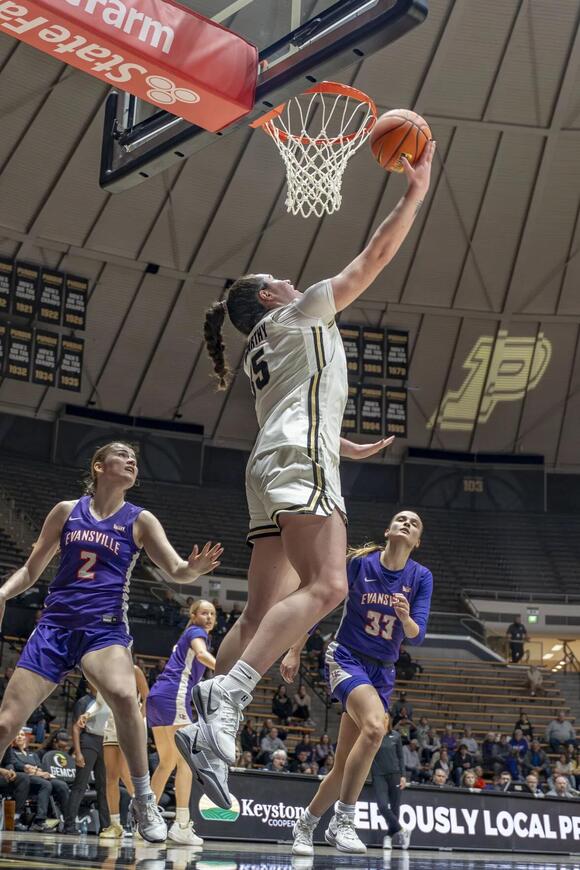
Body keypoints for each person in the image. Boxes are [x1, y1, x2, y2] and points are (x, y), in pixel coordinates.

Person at [177, 142, 435, 808]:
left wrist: (339, 444)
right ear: (268, 295)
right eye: (283, 279)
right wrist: (415, 192)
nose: (296, 281)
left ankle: (209, 719)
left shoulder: (265, 344)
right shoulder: (297, 313)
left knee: (263, 610)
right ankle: (227, 697)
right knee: (328, 585)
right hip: (298, 462)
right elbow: (373, 257)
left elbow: (295, 405)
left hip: (270, 463)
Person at [0, 441, 222, 842]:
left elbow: (175, 568)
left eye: (135, 458)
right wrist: (3, 593)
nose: (132, 460)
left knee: (123, 695)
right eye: (122, 455)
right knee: (4, 724)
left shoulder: (141, 520)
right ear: (99, 466)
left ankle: (143, 799)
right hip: (55, 626)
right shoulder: (66, 512)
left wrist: (193, 569)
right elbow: (32, 570)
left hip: (103, 629)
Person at [284, 509, 433, 855]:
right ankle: (344, 820)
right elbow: (320, 606)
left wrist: (405, 617)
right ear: (388, 529)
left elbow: (418, 634)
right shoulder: (361, 564)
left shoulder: (421, 577)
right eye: (401, 519)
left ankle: (305, 824)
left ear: (417, 541)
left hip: (383, 671)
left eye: (414, 523)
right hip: (346, 657)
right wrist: (294, 649)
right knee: (375, 728)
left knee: (342, 769)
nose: (407, 523)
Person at [151, 599, 217, 845]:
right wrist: (228, 671)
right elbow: (201, 655)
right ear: (193, 615)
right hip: (173, 696)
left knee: (166, 762)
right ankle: (181, 825)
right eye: (204, 612)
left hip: (158, 696)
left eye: (212, 613)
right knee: (186, 762)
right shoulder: (196, 632)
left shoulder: (187, 635)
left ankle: (144, 822)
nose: (208, 617)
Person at [100, 662, 149, 839]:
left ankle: (143, 822)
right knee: (111, 776)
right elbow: (101, 700)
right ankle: (115, 825)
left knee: (129, 776)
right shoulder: (107, 669)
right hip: (112, 724)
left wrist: (138, 719)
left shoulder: (135, 670)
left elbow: (147, 697)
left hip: (131, 724)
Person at [65, 687, 110, 833]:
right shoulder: (84, 701)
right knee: (80, 785)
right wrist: (77, 752)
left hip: (106, 742)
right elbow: (76, 728)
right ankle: (69, 825)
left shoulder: (107, 698)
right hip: (88, 741)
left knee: (104, 787)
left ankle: (105, 827)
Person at [9, 728, 69, 830]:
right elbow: (17, 765)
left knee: (62, 785)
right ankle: (39, 821)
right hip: (24, 779)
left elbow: (40, 767)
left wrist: (41, 773)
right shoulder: (11, 752)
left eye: (22, 735)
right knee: (45, 784)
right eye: (17, 734)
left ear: (26, 739)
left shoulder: (33, 754)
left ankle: (69, 821)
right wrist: (37, 772)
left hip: (38, 776)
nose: (20, 736)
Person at [371, 720, 409, 851]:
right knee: (382, 806)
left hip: (395, 774)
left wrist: (403, 775)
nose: (383, 721)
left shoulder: (396, 736)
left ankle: (388, 838)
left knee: (395, 809)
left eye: (385, 718)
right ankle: (402, 830)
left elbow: (401, 757)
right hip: (378, 775)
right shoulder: (373, 735)